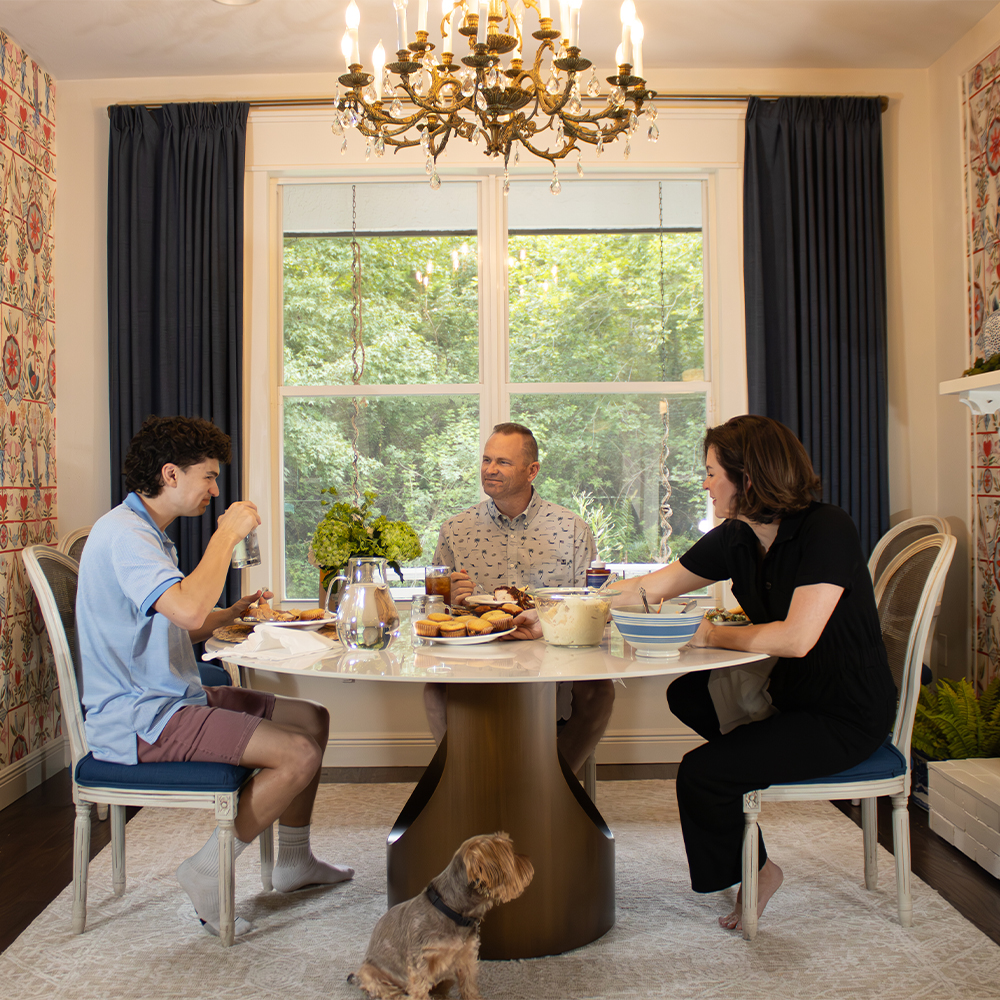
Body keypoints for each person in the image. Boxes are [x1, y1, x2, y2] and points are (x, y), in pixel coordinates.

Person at [511, 415, 896, 931]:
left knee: (703, 774)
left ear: (748, 477)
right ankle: (742, 769)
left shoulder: (827, 528)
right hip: (790, 694)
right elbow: (649, 588)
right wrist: (554, 613)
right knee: (688, 693)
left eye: (712, 472)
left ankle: (758, 869)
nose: (706, 483)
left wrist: (711, 636)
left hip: (845, 711)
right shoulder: (737, 536)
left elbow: (795, 639)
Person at [77, 415, 354, 938]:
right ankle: (207, 869)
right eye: (208, 476)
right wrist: (227, 535)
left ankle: (294, 862)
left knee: (311, 718)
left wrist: (232, 613)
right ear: (170, 474)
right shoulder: (126, 536)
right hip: (140, 717)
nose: (215, 489)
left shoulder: (146, 532)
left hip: (173, 695)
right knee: (298, 754)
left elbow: (182, 618)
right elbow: (185, 611)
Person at [425, 422, 614, 774]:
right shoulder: (455, 529)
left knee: (599, 692)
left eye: (503, 462)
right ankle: (466, 783)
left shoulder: (572, 528)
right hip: (478, 654)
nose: (490, 469)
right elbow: (435, 609)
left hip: (553, 653)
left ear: (532, 471)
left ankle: (554, 785)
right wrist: (449, 598)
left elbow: (592, 605)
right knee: (435, 689)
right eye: (486, 460)